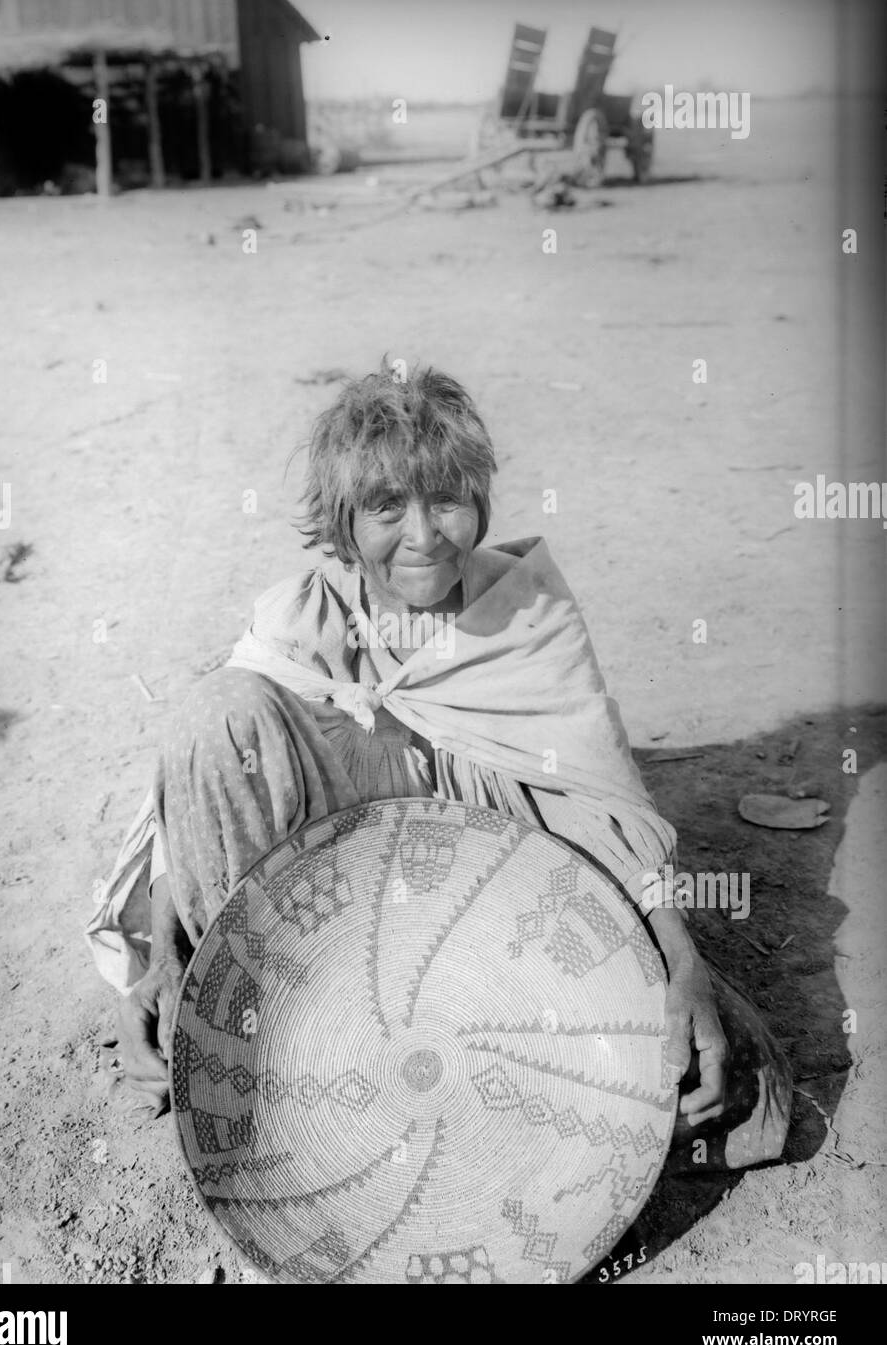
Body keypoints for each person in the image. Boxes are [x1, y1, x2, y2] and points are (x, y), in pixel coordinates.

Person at [87, 360, 790, 1168]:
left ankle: (435, 1063)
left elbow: (598, 809)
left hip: (487, 911)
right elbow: (199, 804)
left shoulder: (522, 611)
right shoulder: (301, 619)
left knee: (659, 1075)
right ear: (342, 522)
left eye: (446, 500)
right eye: (386, 507)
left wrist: (683, 964)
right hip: (335, 919)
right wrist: (171, 965)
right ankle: (272, 1040)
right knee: (218, 710)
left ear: (479, 504)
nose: (423, 537)